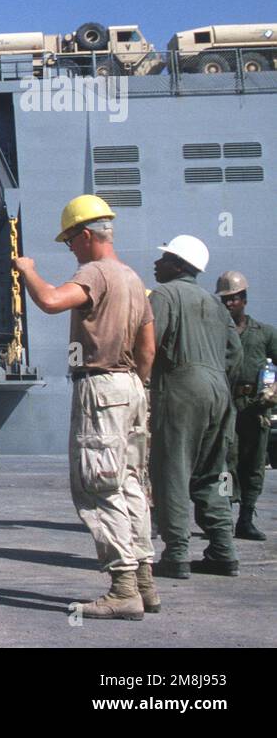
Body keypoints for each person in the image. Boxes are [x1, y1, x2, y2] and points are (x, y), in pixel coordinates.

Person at [13, 195, 157, 620]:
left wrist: (30, 273)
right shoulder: (133, 278)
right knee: (130, 483)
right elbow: (148, 347)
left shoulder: (94, 272)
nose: (70, 249)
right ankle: (145, 581)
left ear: (87, 235)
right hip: (133, 386)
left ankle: (122, 588)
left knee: (98, 484)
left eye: (70, 241)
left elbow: (53, 302)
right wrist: (136, 386)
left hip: (100, 385)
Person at [148, 236, 242, 579]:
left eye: (164, 258)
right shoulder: (216, 304)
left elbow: (148, 344)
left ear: (178, 265)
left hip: (181, 387)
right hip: (219, 389)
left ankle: (176, 554)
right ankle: (223, 550)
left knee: (171, 469)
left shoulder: (163, 295)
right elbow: (236, 353)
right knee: (213, 472)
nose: (156, 264)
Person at [215, 271, 277, 541]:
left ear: (244, 299)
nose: (229, 305)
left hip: (255, 407)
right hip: (225, 406)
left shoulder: (264, 333)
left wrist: (273, 392)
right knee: (225, 464)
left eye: (234, 299)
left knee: (253, 463)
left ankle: (246, 518)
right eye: (225, 300)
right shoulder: (215, 334)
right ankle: (224, 517)